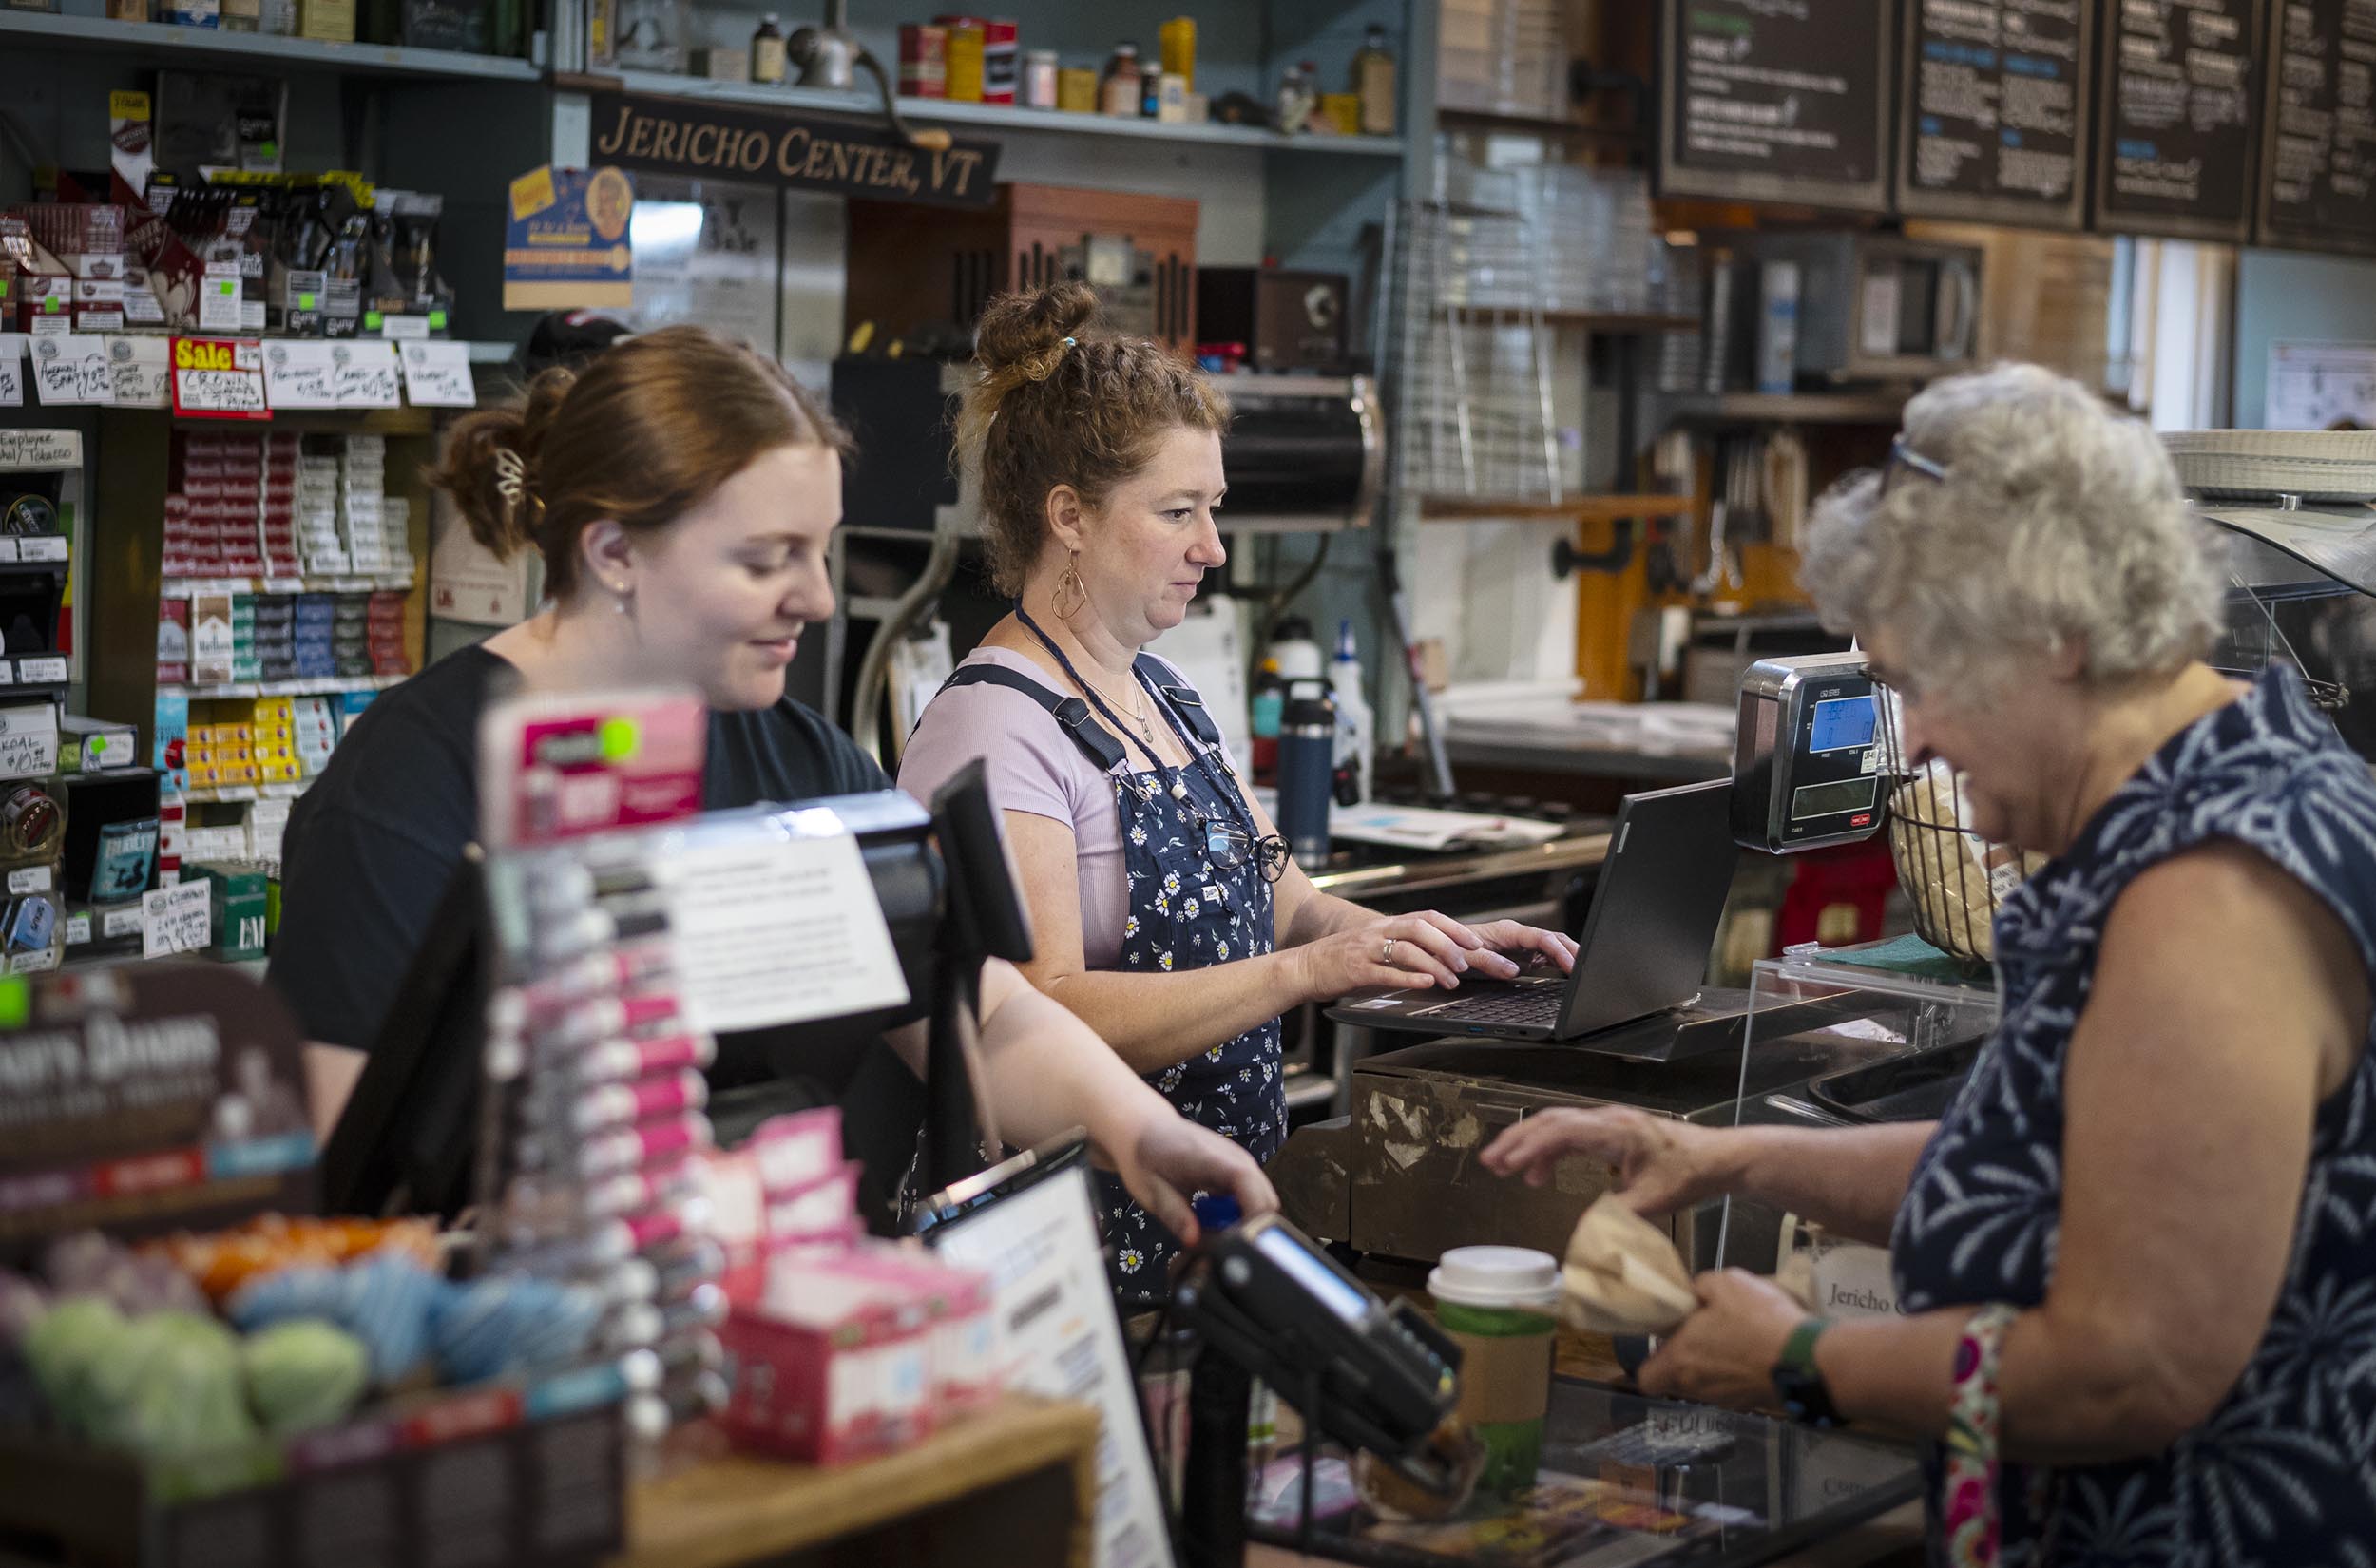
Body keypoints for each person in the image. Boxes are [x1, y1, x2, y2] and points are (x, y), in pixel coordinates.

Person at [1483, 363, 2376, 1565]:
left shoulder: (2205, 896)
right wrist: (1727, 1157)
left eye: (1919, 682)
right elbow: (2062, 1167)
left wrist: (1800, 1361)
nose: (1918, 743)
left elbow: (2131, 1366)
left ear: (2057, 636)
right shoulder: (2204, 794)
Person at [269, 323, 1274, 1243]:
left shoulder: (802, 763)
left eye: (822, 551)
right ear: (615, 553)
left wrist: (1134, 1129)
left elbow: (984, 1011)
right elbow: (336, 1164)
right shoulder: (410, 784)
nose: (820, 597)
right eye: (767, 560)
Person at [899, 284, 1577, 1302]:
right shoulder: (995, 725)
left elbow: (1288, 902)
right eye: (1178, 512)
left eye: (1211, 509)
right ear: (1069, 518)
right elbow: (1042, 1010)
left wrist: (1423, 943)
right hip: (1077, 1246)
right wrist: (1298, 976)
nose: (1211, 547)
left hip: (1205, 1223)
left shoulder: (1164, 693)